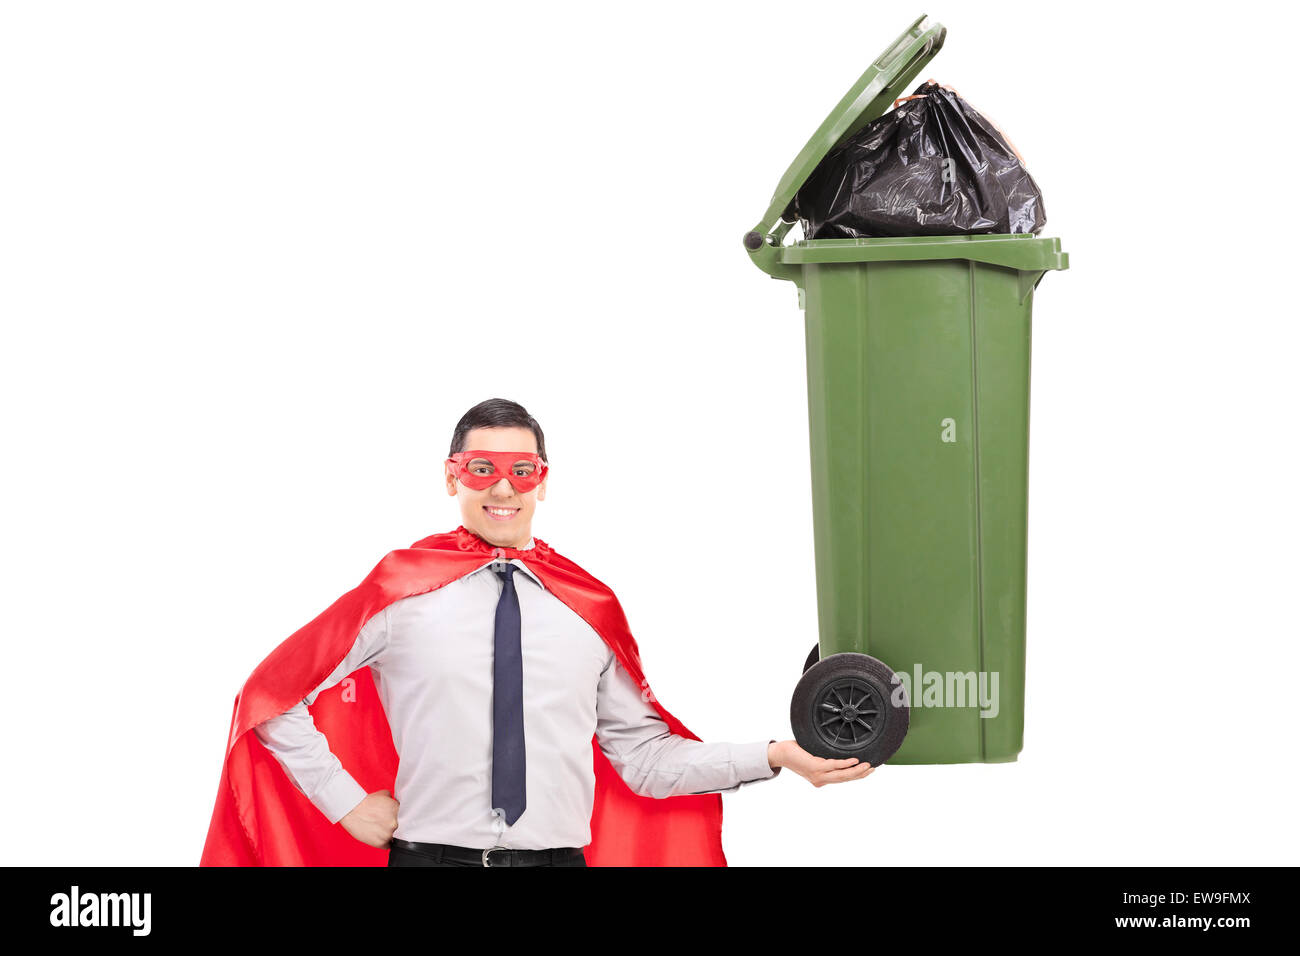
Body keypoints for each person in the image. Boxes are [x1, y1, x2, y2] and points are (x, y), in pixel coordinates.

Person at [202, 399, 876, 867]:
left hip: (556, 862)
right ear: (452, 476)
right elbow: (272, 696)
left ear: (543, 482)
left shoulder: (586, 605)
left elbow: (644, 760)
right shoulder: (400, 591)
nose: (504, 487)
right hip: (431, 861)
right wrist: (346, 803)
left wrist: (777, 754)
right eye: (482, 469)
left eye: (522, 471)